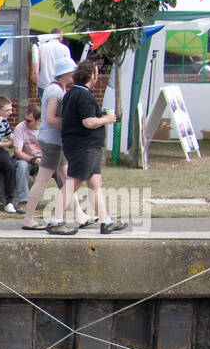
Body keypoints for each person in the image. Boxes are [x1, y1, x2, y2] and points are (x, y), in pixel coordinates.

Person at [53, 59, 126, 235]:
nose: (97, 76)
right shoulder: (83, 95)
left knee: (95, 183)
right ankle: (55, 221)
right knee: (73, 183)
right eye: (96, 73)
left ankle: (106, 221)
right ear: (92, 75)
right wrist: (107, 119)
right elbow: (88, 122)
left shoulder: (71, 93)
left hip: (83, 146)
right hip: (83, 147)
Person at [22, 57, 86, 231]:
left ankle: (80, 215)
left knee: (67, 179)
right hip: (53, 142)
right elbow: (50, 119)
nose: (75, 75)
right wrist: (72, 123)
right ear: (66, 74)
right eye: (73, 72)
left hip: (56, 141)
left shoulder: (58, 89)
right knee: (42, 181)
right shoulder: (54, 91)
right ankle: (28, 218)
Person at [11, 105, 43, 209]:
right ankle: (23, 201)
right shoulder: (20, 128)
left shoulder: (46, 128)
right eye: (25, 119)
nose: (26, 122)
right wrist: (33, 160)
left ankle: (69, 199)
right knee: (22, 166)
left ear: (39, 120)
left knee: (61, 168)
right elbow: (17, 152)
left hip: (44, 160)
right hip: (26, 159)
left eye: (29, 121)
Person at [31, 28, 71, 102]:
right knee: (59, 107)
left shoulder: (41, 47)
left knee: (44, 107)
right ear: (60, 36)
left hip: (43, 83)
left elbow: (36, 65)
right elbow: (68, 67)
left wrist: (35, 78)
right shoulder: (65, 49)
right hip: (59, 83)